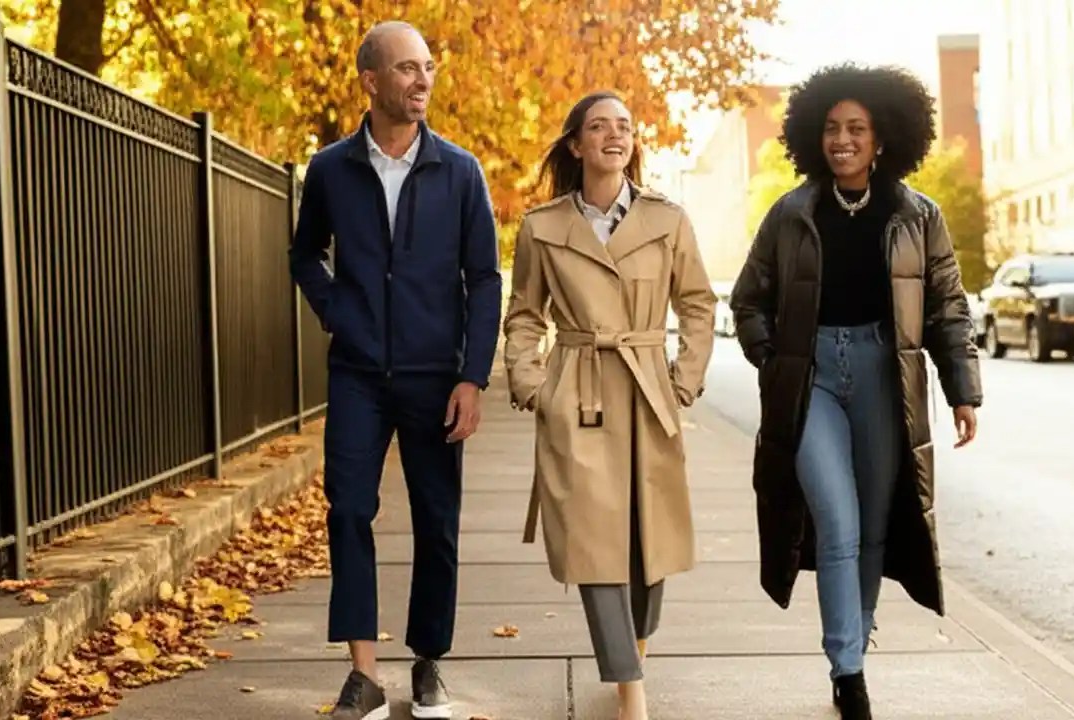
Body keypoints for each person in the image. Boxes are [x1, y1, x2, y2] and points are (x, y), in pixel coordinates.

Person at [729, 63, 983, 720]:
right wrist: (775, 362)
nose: (841, 140)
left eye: (856, 129)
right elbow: (748, 300)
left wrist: (963, 389)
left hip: (883, 374)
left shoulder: (918, 216)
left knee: (871, 525)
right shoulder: (790, 214)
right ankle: (847, 670)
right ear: (814, 137)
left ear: (881, 139)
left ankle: (856, 641)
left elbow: (948, 308)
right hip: (810, 378)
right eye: (832, 128)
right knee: (837, 521)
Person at [288, 21, 502, 720]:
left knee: (437, 520)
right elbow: (305, 255)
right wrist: (337, 312)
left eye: (428, 67)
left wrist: (472, 376)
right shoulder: (330, 169)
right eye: (407, 68)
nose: (422, 80)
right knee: (349, 510)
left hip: (436, 376)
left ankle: (429, 663)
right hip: (357, 373)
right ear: (371, 80)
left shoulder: (460, 171)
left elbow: (484, 278)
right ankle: (364, 676)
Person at [503, 91, 717, 720]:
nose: (614, 135)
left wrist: (683, 381)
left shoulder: (668, 220)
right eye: (598, 126)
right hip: (578, 391)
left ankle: (636, 647)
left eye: (623, 126)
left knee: (649, 546)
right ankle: (631, 691)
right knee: (593, 544)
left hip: (649, 390)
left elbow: (698, 305)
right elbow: (524, 315)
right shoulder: (543, 226)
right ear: (576, 145)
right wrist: (533, 385)